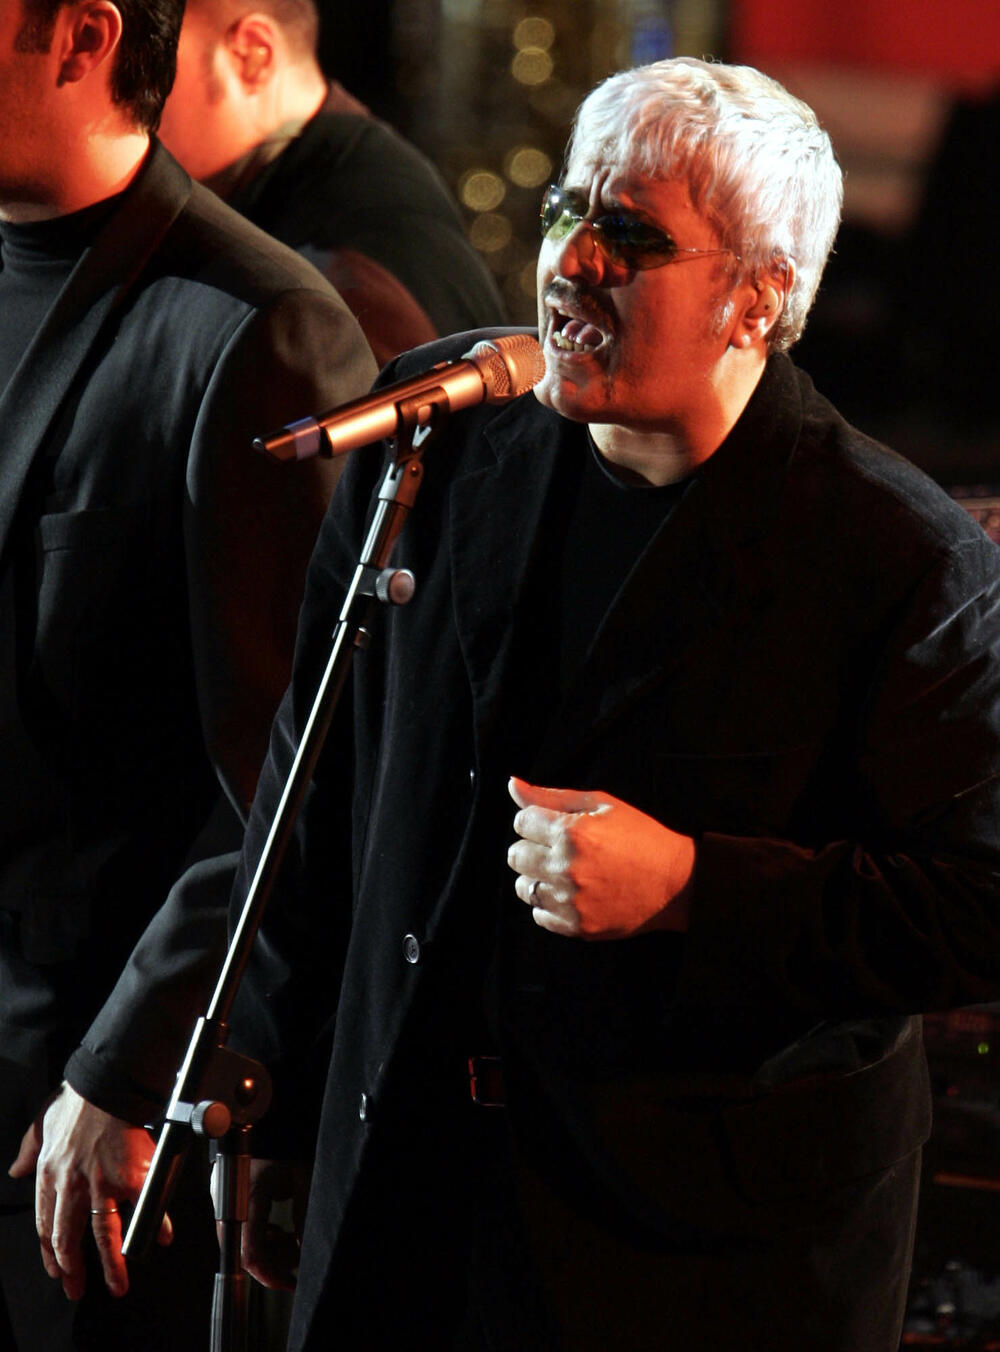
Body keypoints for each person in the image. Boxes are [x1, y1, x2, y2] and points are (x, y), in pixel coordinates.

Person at [222, 57, 1000, 1351]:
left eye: (629, 237)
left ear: (757, 295)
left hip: (697, 1253)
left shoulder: (898, 556)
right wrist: (274, 1093)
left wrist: (696, 884)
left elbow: (978, 905)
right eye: (563, 211)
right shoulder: (441, 443)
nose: (570, 261)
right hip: (412, 1180)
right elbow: (316, 788)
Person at [0, 0, 376, 1346]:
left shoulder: (259, 326)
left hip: (86, 1108)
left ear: (81, 37)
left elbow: (296, 772)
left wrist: (129, 1063)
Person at [156, 0, 506, 365]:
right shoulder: (329, 189)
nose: (132, 82)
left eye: (156, 50)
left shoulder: (349, 264)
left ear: (253, 54)